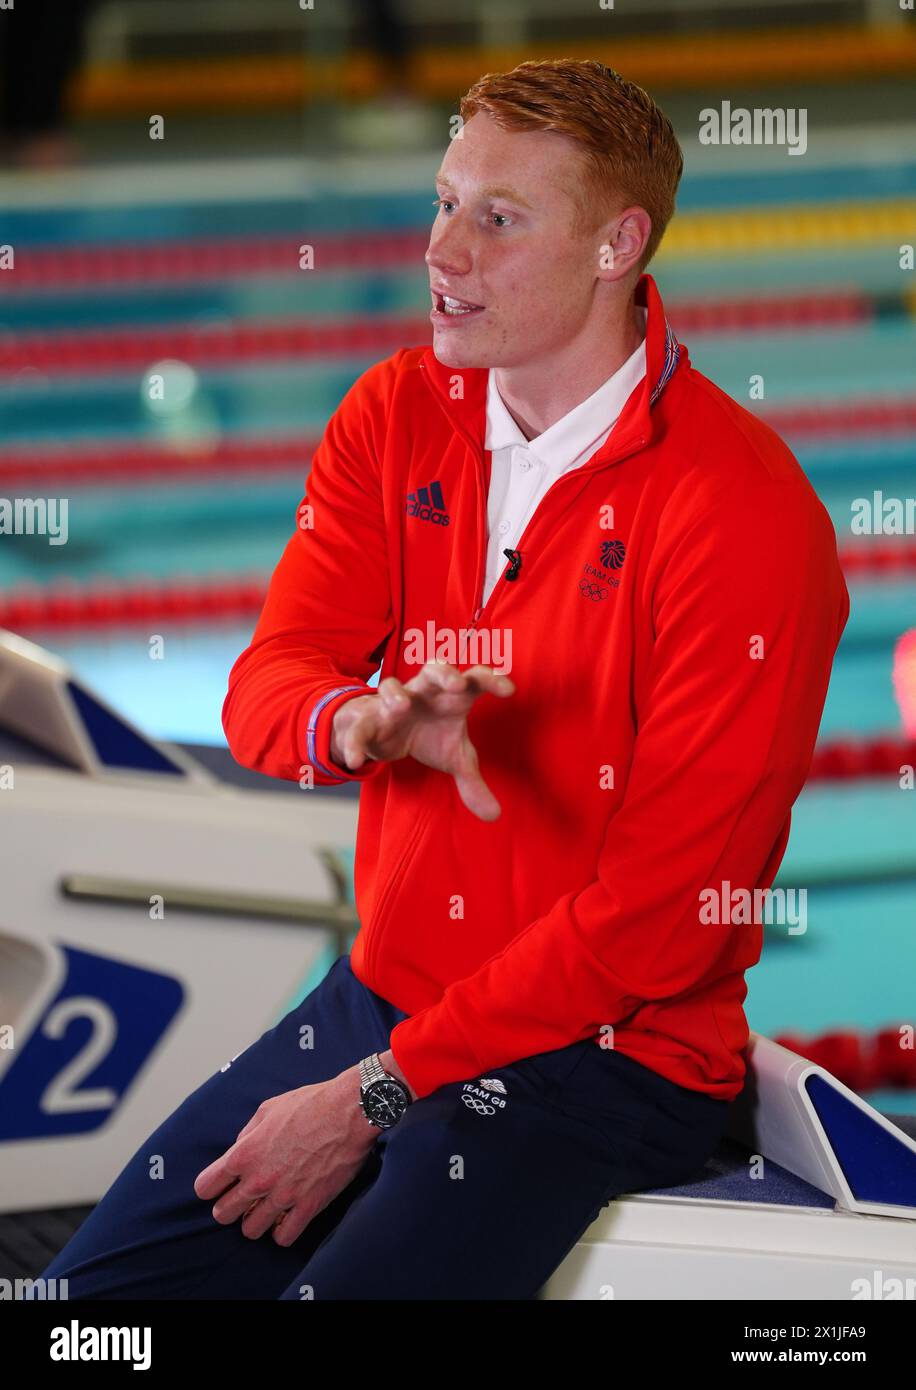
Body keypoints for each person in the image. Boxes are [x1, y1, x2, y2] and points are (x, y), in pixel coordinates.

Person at [37, 58, 850, 1301]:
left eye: (498, 218)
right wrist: (355, 720)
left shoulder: (738, 515)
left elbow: (660, 921)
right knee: (87, 1313)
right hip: (383, 996)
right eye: (443, 200)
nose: (442, 250)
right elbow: (267, 684)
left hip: (600, 1060)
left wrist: (371, 1098)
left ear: (616, 244)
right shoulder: (397, 415)